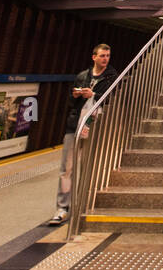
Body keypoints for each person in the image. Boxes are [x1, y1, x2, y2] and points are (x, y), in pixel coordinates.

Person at [48, 44, 115, 226]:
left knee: (89, 168)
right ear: (94, 57)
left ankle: (83, 204)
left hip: (94, 125)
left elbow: (113, 99)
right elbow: (70, 101)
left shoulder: (112, 77)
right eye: (102, 56)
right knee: (66, 168)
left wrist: (94, 94)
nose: (105, 59)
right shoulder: (82, 76)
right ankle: (63, 208)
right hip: (75, 125)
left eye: (107, 56)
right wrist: (76, 96)